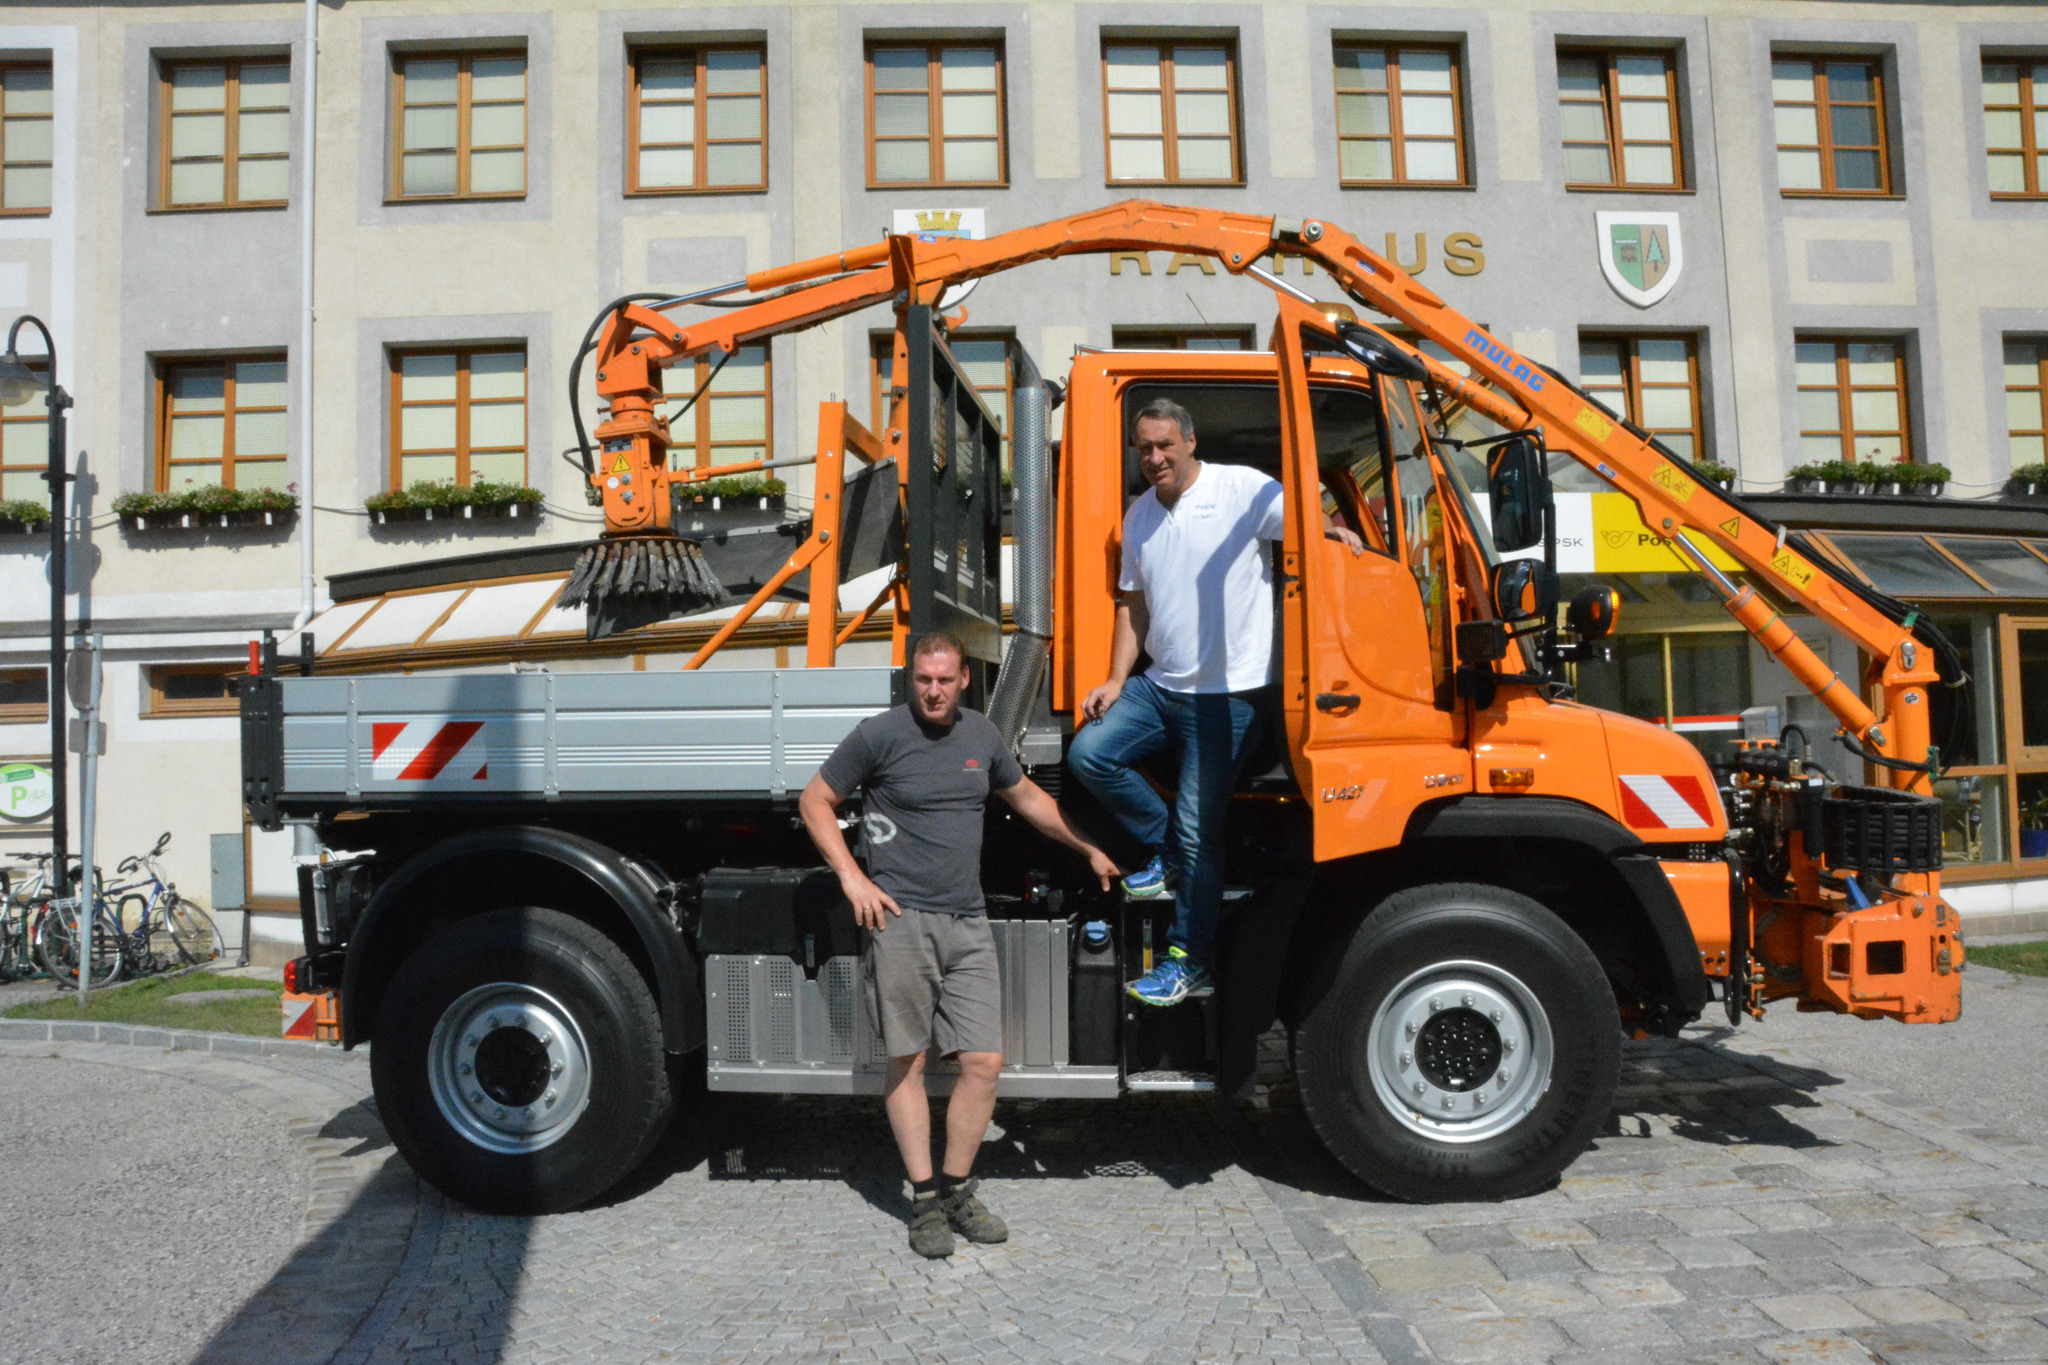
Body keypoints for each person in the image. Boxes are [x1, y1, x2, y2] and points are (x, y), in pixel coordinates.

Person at [799, 630, 1119, 1259]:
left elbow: (1026, 798)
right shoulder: (880, 735)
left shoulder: (981, 736)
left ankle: (957, 1191)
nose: (934, 691)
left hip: (967, 921)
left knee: (983, 1063)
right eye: (924, 680)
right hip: (902, 920)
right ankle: (923, 1204)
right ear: (911, 679)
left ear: (964, 679)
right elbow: (815, 800)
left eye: (945, 680)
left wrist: (1086, 846)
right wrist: (852, 877)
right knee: (909, 1062)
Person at [1068, 397, 1363, 1007]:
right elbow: (1133, 605)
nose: (1154, 458)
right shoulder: (1141, 514)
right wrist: (1119, 679)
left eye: (1165, 445)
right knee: (1092, 753)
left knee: (1204, 833)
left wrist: (1337, 528)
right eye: (1144, 448)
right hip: (1162, 685)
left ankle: (1190, 961)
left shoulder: (1243, 490)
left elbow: (1307, 522)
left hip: (1229, 696)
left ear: (1191, 441)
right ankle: (1169, 852)